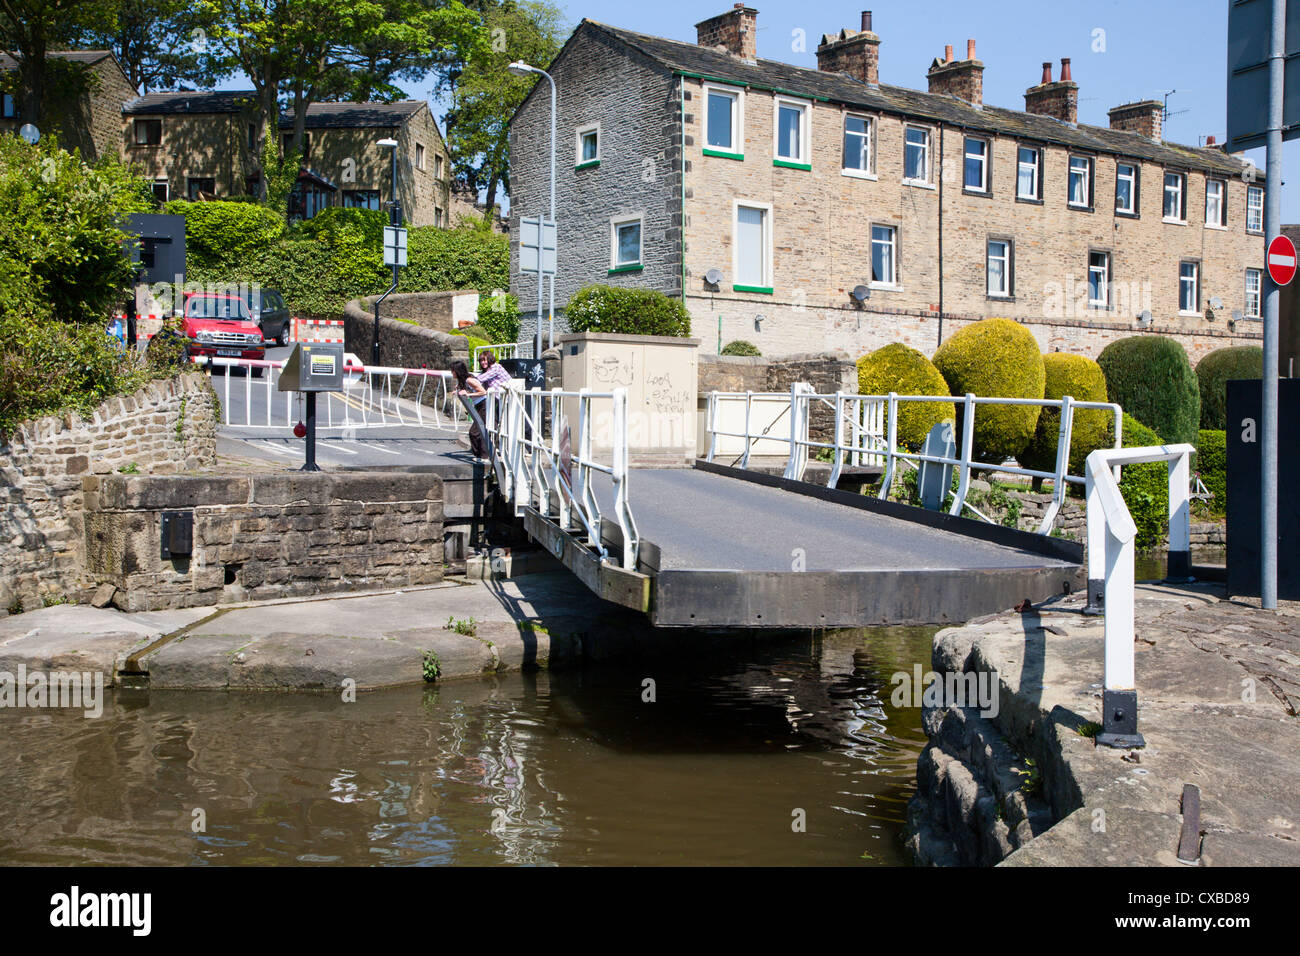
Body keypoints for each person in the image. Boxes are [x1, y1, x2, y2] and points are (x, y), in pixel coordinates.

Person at [451, 359, 489, 459]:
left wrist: (468, 394)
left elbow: (483, 392)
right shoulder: (464, 380)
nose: (452, 373)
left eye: (453, 371)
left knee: (476, 432)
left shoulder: (469, 380)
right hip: (479, 405)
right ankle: (480, 455)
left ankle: (483, 456)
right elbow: (462, 388)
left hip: (484, 405)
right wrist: (458, 390)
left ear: (457, 371)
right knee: (477, 431)